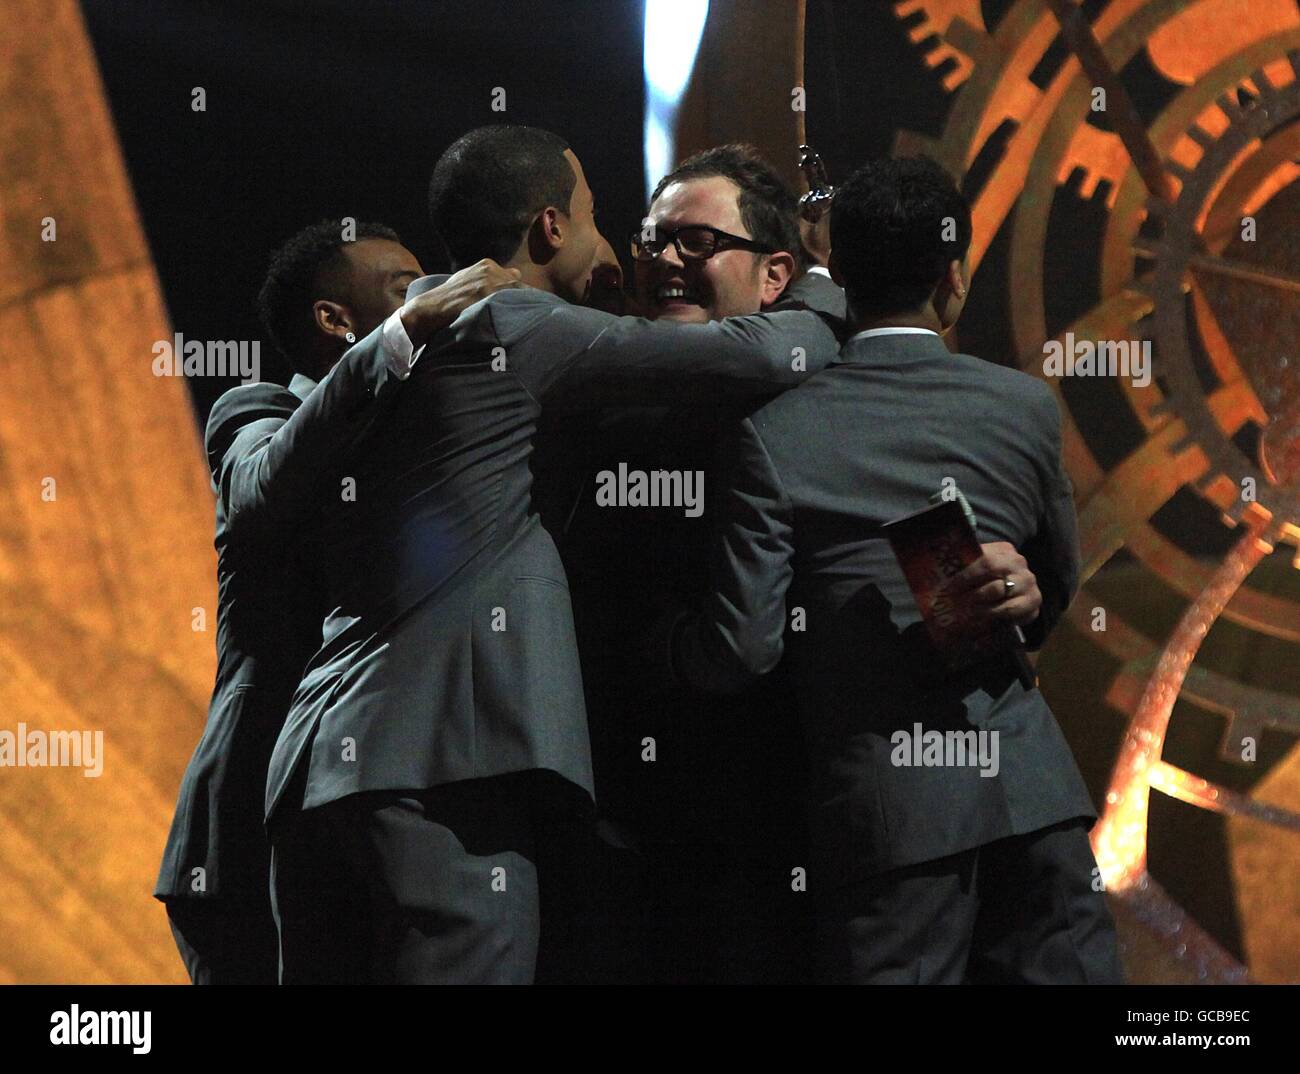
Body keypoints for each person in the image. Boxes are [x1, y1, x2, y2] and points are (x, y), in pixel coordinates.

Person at [259, 126, 842, 984]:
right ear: (550, 230)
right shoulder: (515, 323)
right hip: (445, 763)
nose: (631, 256)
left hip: (318, 763)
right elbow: (764, 350)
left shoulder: (392, 348)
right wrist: (827, 280)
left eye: (697, 242)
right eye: (613, 226)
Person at [670, 156, 1123, 984]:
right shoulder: (1022, 407)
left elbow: (742, 650)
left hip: (887, 820)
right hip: (1032, 794)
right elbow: (1052, 591)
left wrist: (662, 646)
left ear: (834, 271)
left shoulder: (772, 431)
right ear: (954, 275)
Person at [154, 219, 517, 983]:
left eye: (430, 289)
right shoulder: (254, 411)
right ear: (335, 319)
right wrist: (403, 332)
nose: (432, 299)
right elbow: (260, 489)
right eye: (402, 287)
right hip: (252, 817)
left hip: (369, 810)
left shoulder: (423, 437)